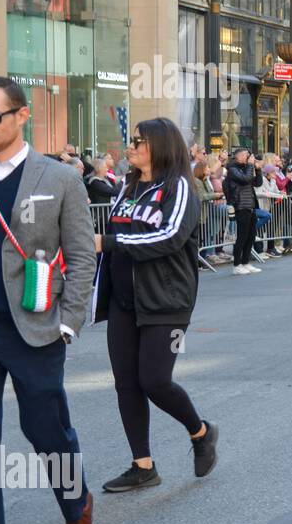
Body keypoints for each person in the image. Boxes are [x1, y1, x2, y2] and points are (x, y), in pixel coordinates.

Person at [0, 77, 97, 524]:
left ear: (21, 116)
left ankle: (77, 507)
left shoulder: (59, 177)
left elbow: (82, 254)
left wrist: (69, 322)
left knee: (46, 431)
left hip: (36, 326)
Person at [92, 119, 217, 492]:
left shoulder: (180, 187)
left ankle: (201, 431)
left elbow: (169, 237)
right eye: (132, 141)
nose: (131, 147)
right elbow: (112, 233)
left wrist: (110, 243)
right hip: (124, 301)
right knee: (126, 382)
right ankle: (142, 465)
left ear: (160, 146)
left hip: (167, 301)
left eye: (139, 142)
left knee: (156, 381)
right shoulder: (127, 186)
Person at [224, 148, 262, 274]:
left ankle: (246, 262)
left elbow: (257, 183)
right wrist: (250, 166)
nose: (249, 158)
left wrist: (257, 169)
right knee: (242, 237)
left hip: (250, 205)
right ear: (238, 156)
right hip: (240, 205)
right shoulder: (232, 169)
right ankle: (237, 265)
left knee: (251, 236)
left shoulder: (247, 168)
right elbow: (245, 179)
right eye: (246, 155)